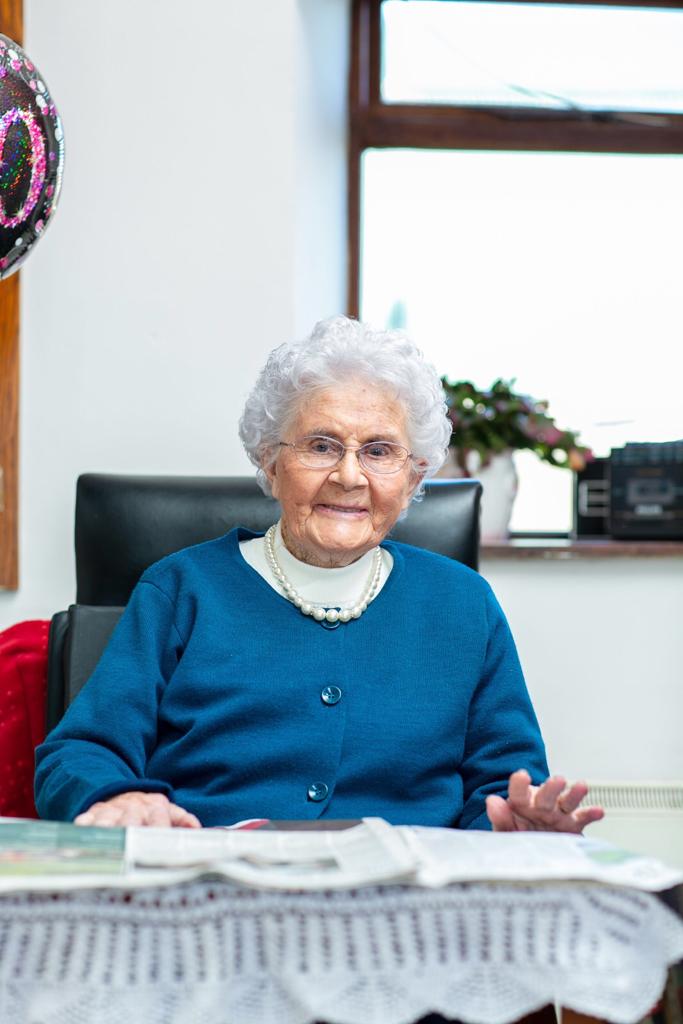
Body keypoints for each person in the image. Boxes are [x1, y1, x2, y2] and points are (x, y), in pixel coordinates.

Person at [35, 316, 604, 834]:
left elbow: (502, 791)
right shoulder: (181, 590)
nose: (349, 476)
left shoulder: (464, 604)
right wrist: (120, 797)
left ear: (413, 479)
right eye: (322, 445)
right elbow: (80, 752)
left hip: (404, 911)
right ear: (269, 460)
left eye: (379, 452)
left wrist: (514, 830)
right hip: (215, 894)